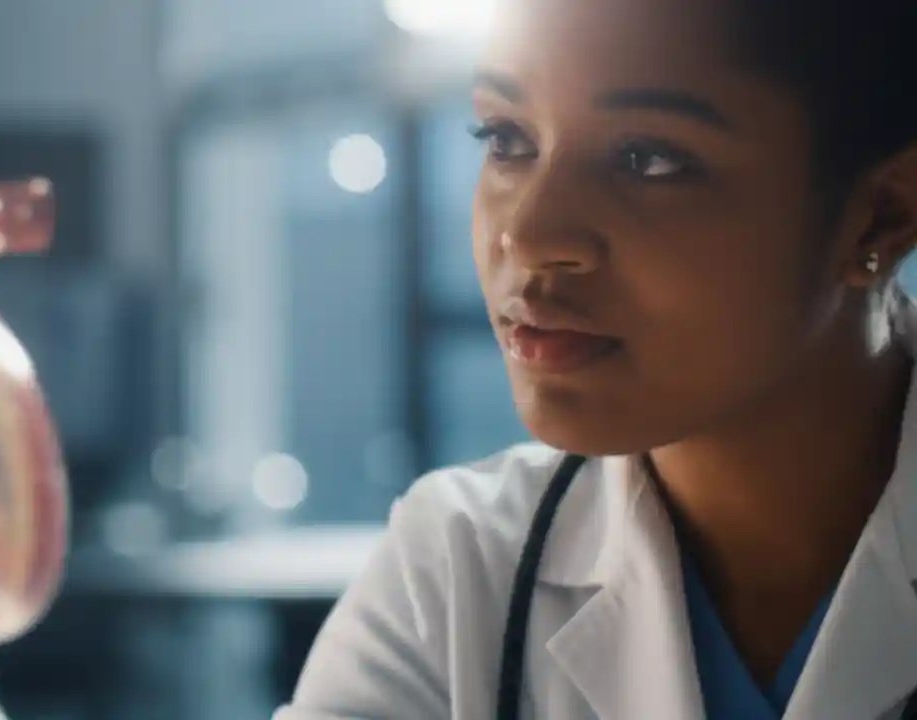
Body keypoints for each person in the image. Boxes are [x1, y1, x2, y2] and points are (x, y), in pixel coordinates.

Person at [275, 0, 917, 717]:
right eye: (506, 139)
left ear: (881, 216)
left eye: (648, 159)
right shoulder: (458, 570)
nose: (528, 233)